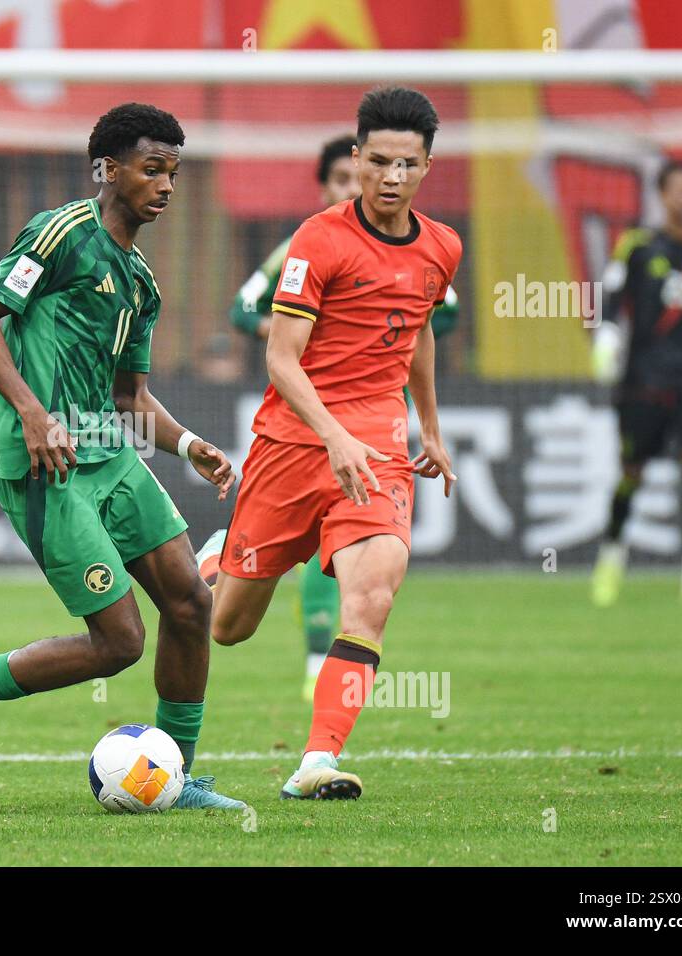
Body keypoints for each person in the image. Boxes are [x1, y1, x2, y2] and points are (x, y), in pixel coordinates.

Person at [0, 103, 245, 810]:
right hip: (45, 462)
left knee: (189, 602)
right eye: (153, 169)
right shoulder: (61, 234)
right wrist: (34, 414)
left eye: (174, 173)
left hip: (110, 453)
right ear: (108, 169)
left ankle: (172, 778)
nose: (166, 186)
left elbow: (130, 397)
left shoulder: (142, 284)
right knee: (119, 642)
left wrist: (186, 445)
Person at [202, 87, 462, 801]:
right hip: (294, 441)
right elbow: (281, 360)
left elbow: (420, 331)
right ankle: (217, 561)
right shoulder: (317, 239)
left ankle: (317, 759)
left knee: (371, 596)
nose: (390, 178)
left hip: (377, 443)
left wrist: (429, 429)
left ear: (427, 166)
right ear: (357, 157)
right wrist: (331, 434)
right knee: (229, 628)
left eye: (406, 165)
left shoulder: (443, 247)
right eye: (377, 162)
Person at [589, 158, 682, 608]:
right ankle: (611, 558)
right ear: (660, 195)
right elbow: (612, 298)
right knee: (632, 471)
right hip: (643, 381)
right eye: (673, 190)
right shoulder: (636, 246)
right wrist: (608, 336)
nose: (681, 198)